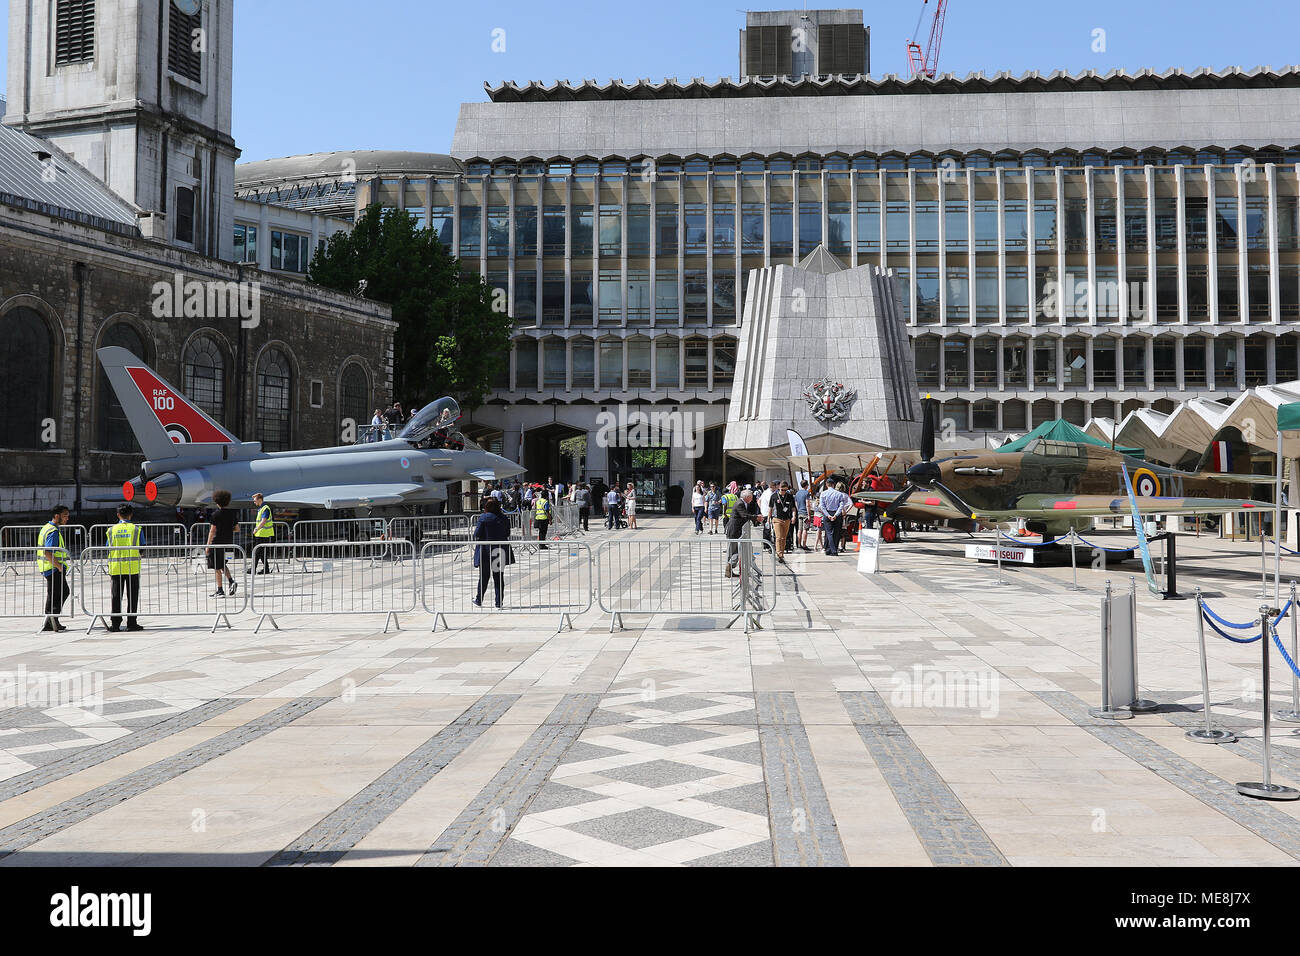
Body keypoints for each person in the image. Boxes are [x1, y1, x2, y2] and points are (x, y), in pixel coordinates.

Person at [106, 503, 143, 632]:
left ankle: (115, 624)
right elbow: (141, 547)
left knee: (116, 596)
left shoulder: (111, 530)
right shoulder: (136, 529)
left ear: (118, 515)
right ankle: (132, 623)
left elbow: (107, 548)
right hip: (132, 568)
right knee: (132, 596)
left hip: (116, 567)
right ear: (131, 514)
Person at [472, 497, 514, 607]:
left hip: (485, 551)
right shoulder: (504, 518)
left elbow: (477, 533)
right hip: (499, 550)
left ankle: (479, 599)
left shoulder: (484, 517)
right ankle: (498, 602)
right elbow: (507, 533)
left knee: (484, 576)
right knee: (498, 576)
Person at [37, 505, 71, 632]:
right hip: (53, 568)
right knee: (58, 593)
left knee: (58, 593)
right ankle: (51, 620)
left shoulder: (47, 527)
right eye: (65, 515)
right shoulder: (53, 531)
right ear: (57, 516)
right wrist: (59, 566)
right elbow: (48, 552)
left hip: (50, 567)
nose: (67, 518)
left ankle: (51, 620)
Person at [205, 490, 240, 597]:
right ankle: (231, 581)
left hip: (217, 543)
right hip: (228, 543)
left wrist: (208, 545)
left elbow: (212, 531)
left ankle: (220, 590)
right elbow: (237, 529)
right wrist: (228, 530)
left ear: (217, 501)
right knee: (222, 564)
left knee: (216, 567)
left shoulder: (215, 514)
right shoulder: (232, 514)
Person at [724, 489, 761, 577]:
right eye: (751, 497)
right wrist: (756, 517)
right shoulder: (740, 503)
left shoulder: (743, 503)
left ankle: (730, 569)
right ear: (747, 497)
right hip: (733, 530)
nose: (752, 499)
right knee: (734, 551)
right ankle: (729, 566)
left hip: (736, 530)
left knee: (735, 551)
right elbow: (744, 515)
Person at [820, 481, 852, 556]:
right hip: (837, 514)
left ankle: (831, 550)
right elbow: (841, 506)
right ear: (833, 485)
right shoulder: (839, 494)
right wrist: (836, 515)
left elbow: (822, 506)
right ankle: (833, 549)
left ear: (827, 485)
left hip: (828, 513)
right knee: (836, 533)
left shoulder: (823, 493)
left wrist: (828, 515)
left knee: (829, 533)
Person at [771, 482, 798, 565]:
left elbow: (793, 508)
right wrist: (768, 519)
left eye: (785, 490)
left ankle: (782, 553)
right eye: (782, 490)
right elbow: (770, 508)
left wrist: (794, 516)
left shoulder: (789, 497)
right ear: (779, 488)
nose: (783, 491)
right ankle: (779, 554)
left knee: (784, 538)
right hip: (777, 519)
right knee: (778, 537)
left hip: (786, 519)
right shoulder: (774, 496)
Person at [250, 492, 276, 574]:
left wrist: (256, 529)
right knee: (261, 553)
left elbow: (263, 521)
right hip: (261, 534)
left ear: (260, 500)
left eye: (255, 500)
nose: (254, 502)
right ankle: (266, 569)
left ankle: (253, 569)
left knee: (258, 552)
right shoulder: (261, 508)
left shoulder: (265, 508)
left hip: (263, 534)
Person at [795, 480, 812, 552]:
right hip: (805, 512)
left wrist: (798, 509)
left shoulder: (797, 493)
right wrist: (809, 514)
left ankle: (799, 545)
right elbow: (807, 504)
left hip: (799, 512)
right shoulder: (807, 493)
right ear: (806, 485)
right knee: (805, 529)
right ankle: (804, 545)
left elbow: (796, 503)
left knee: (799, 529)